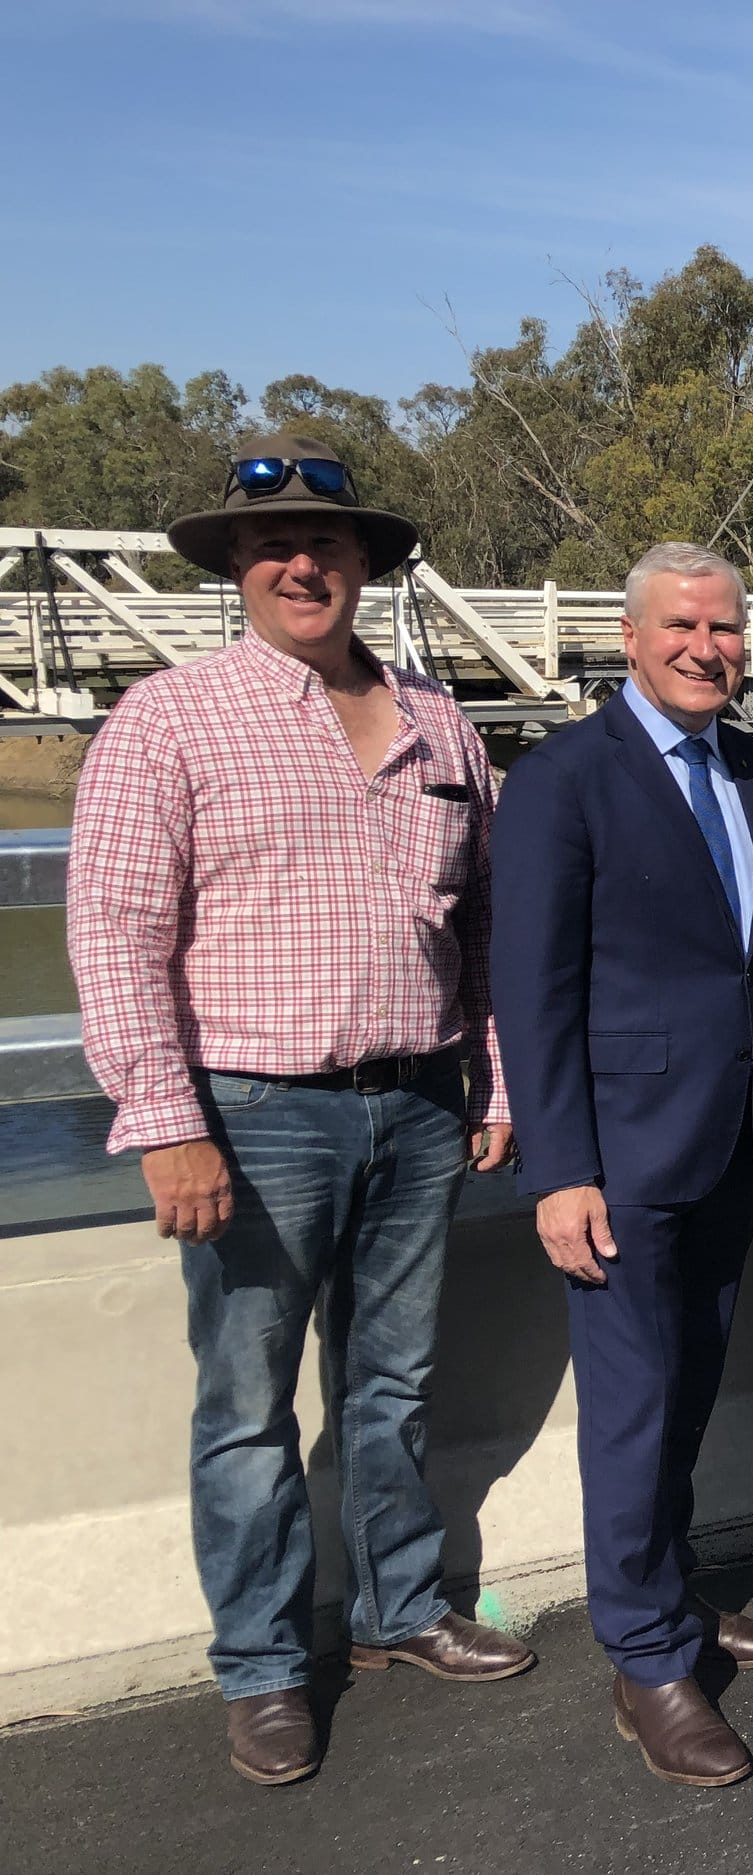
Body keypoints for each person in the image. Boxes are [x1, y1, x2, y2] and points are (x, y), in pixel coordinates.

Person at [67, 435, 532, 1788]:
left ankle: (398, 1607)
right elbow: (114, 933)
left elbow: (488, 928)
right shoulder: (170, 717)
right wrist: (169, 1118)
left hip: (419, 1106)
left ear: (364, 566)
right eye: (270, 545)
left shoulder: (443, 720)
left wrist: (491, 1077)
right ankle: (266, 1666)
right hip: (256, 1113)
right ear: (233, 569)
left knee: (391, 1384)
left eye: (326, 544)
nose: (299, 563)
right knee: (247, 1405)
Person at [492, 541, 753, 1787]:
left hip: (730, 1144)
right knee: (630, 1407)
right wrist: (559, 1167)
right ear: (628, 637)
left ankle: (665, 1587)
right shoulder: (564, 778)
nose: (704, 647)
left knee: (690, 1388)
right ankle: (648, 1661)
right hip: (615, 1161)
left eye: (723, 628)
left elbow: (752, 969)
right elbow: (531, 986)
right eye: (679, 626)